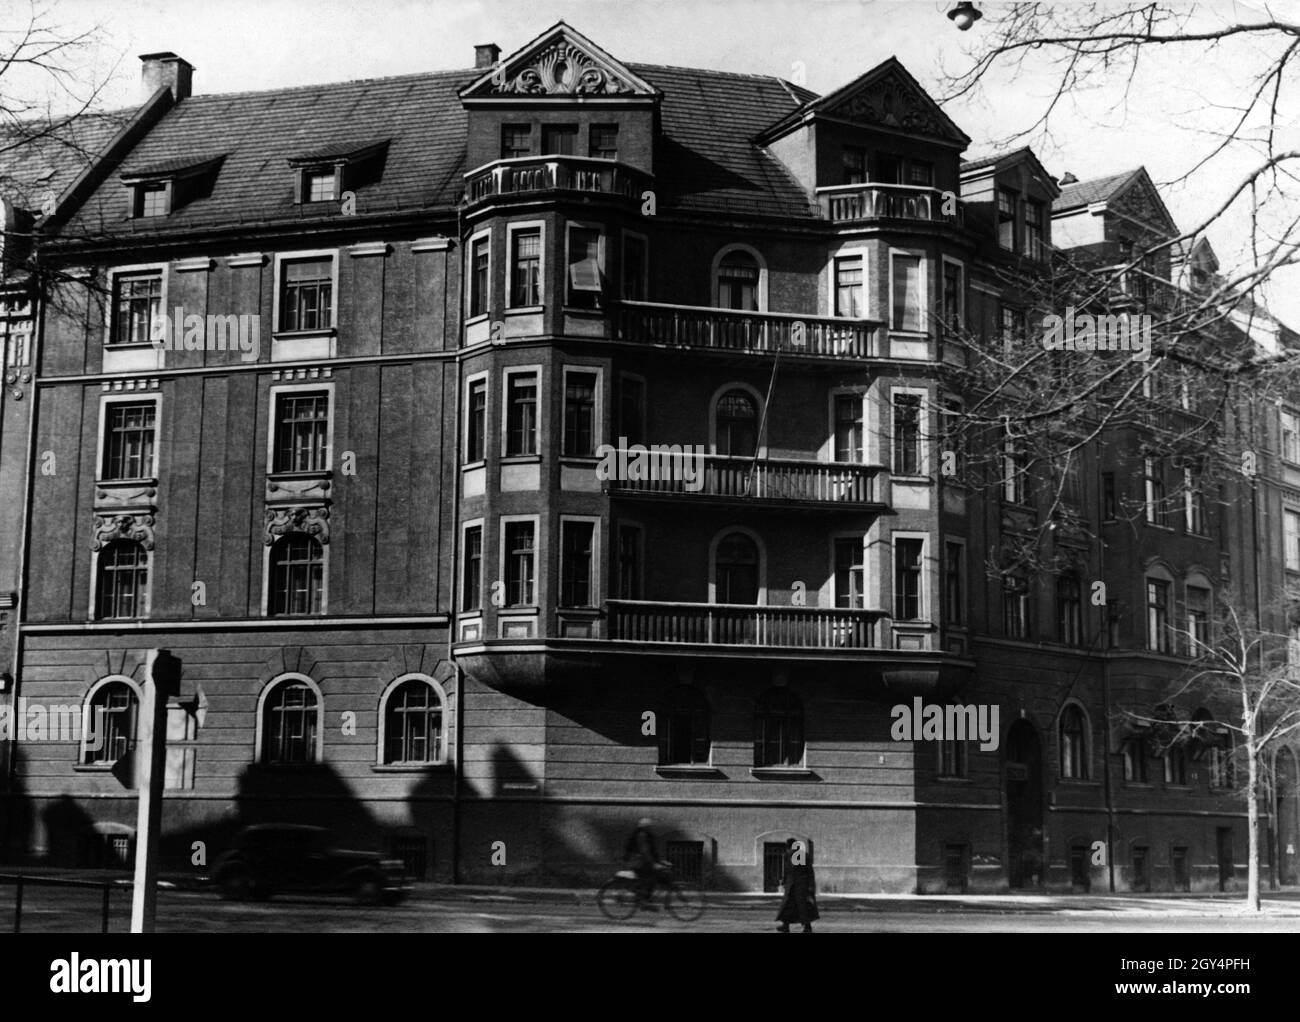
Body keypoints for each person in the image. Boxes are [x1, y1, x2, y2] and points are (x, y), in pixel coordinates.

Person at [776, 837, 819, 932]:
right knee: (795, 906)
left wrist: (784, 881)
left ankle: (802, 926)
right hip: (797, 885)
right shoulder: (799, 856)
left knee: (795, 906)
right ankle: (791, 925)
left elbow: (790, 871)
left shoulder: (793, 855)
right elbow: (809, 872)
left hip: (796, 885)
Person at [624, 817, 668, 908]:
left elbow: (652, 851)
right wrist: (654, 864)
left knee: (653, 876)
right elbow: (645, 851)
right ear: (645, 827)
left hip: (641, 861)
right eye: (649, 827)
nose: (650, 828)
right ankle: (643, 900)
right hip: (636, 862)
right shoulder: (641, 835)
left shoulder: (646, 835)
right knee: (649, 876)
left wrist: (661, 861)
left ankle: (644, 898)